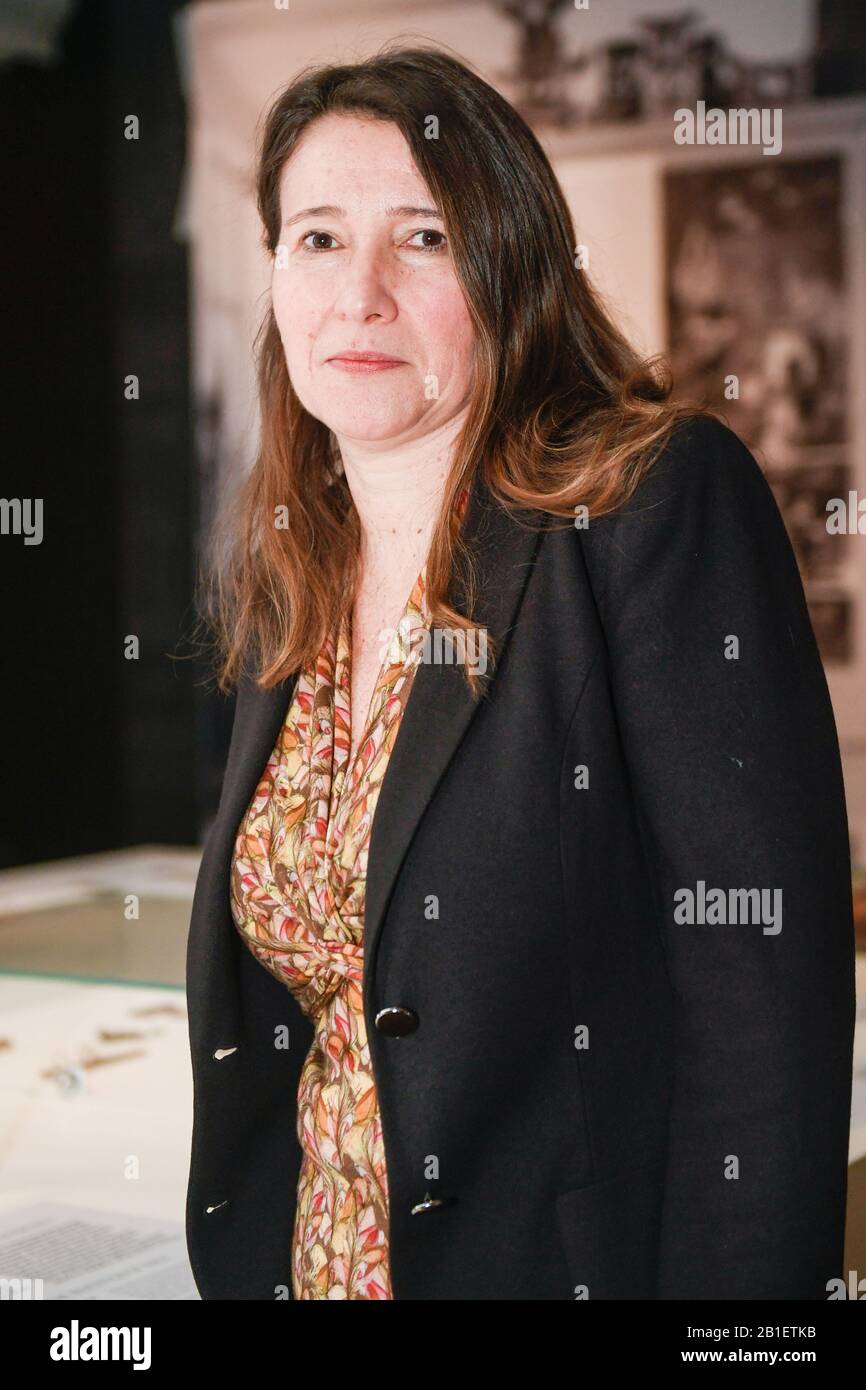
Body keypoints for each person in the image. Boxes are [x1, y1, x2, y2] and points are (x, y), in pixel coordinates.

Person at [185, 45, 855, 1300]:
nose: (360, 294)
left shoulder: (649, 503)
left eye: (423, 237)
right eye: (316, 238)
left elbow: (760, 997)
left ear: (511, 263)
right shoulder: (292, 559)